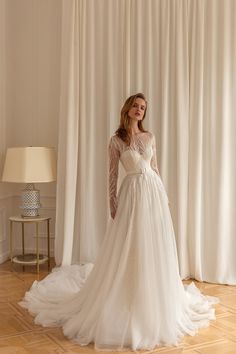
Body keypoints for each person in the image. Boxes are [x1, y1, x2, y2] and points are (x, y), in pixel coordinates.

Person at [20, 93, 218, 351]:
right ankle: (127, 294)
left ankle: (153, 296)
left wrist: (165, 197)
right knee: (130, 244)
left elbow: (155, 168)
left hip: (153, 194)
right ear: (127, 109)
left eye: (143, 108)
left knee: (152, 246)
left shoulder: (150, 137)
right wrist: (112, 203)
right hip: (131, 194)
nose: (139, 110)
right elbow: (112, 175)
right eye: (136, 106)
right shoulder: (116, 141)